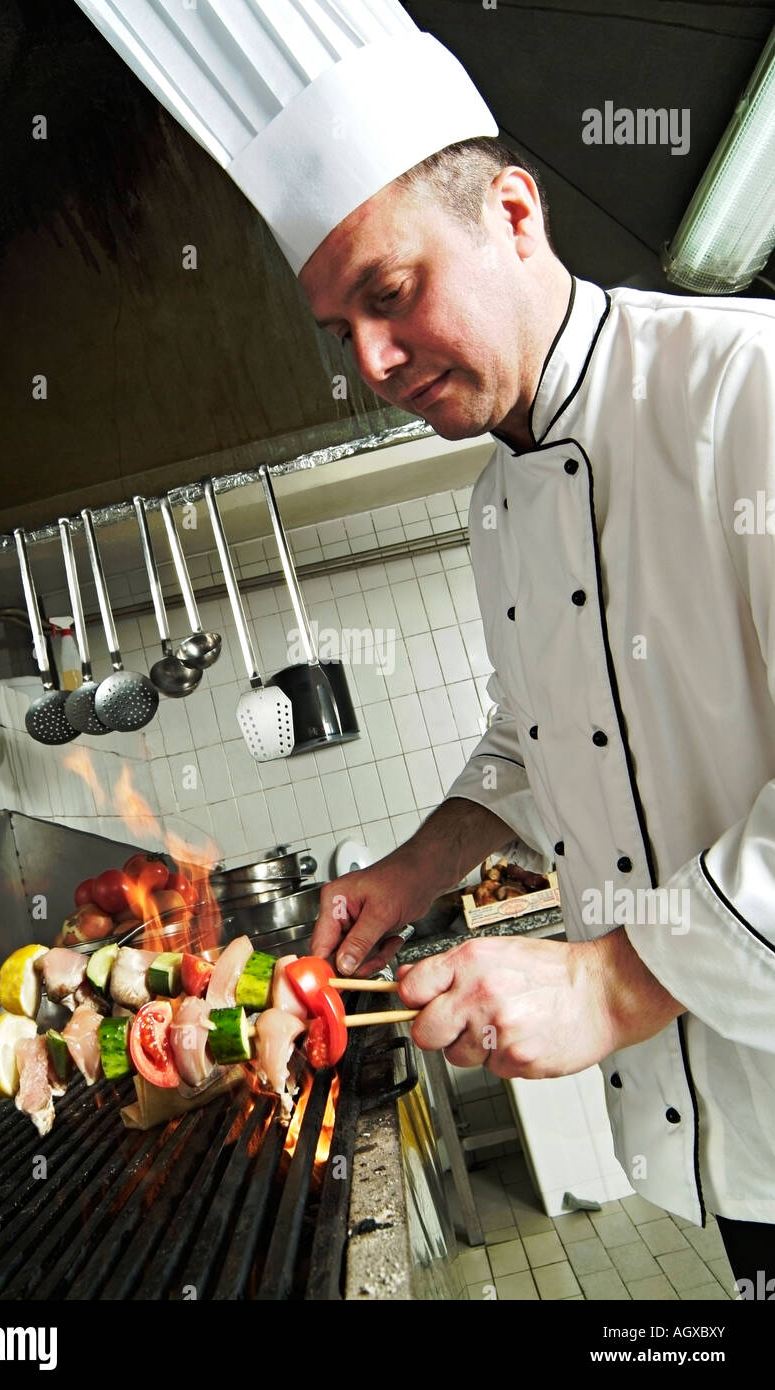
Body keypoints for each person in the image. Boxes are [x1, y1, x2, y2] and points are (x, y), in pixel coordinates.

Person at [302, 135, 775, 1284]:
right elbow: (535, 732)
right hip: (746, 1161)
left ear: (513, 214)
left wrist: (612, 982)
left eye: (390, 293)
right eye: (342, 332)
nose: (370, 358)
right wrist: (418, 865)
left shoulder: (743, 386)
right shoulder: (494, 506)